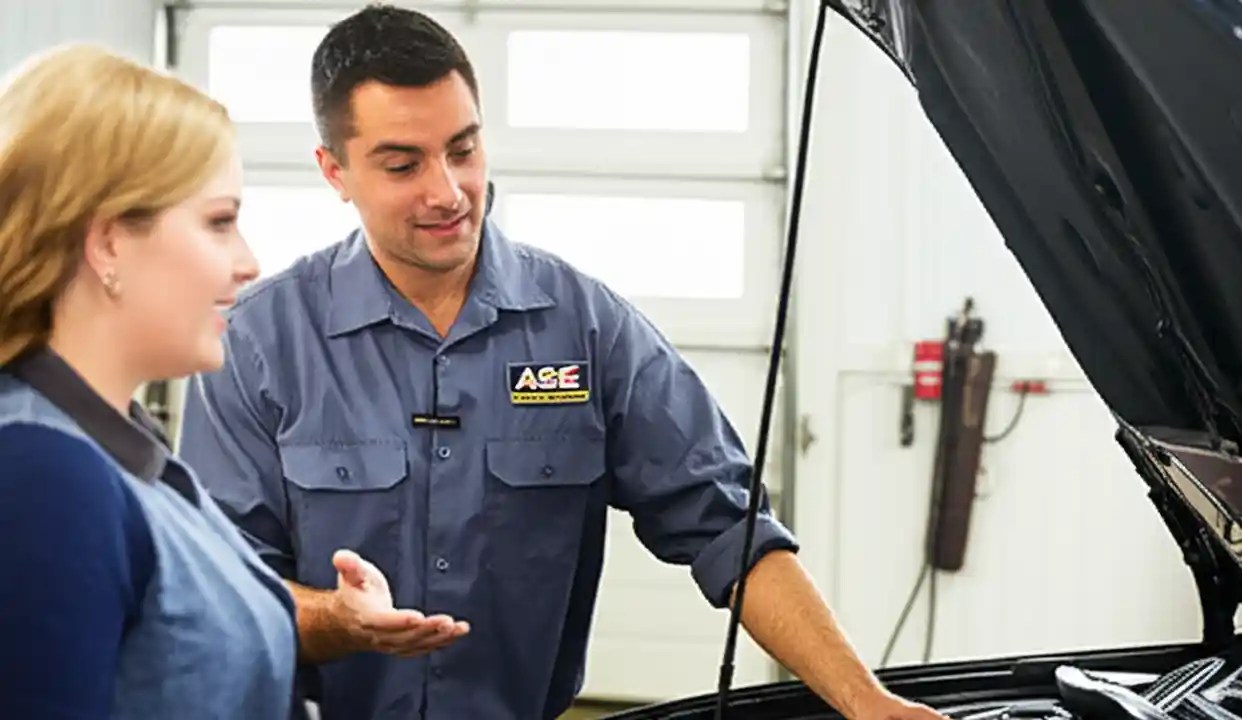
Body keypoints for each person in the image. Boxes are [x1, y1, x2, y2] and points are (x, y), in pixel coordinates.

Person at [177, 5, 950, 720]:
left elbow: (731, 530)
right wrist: (334, 622)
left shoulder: (587, 329)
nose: (449, 192)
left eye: (463, 149)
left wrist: (866, 701)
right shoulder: (256, 344)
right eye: (402, 164)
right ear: (334, 170)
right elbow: (223, 596)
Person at [0, 44, 299, 720]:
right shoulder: (43, 476)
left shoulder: (120, 452)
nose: (248, 262)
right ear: (107, 241)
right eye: (219, 221)